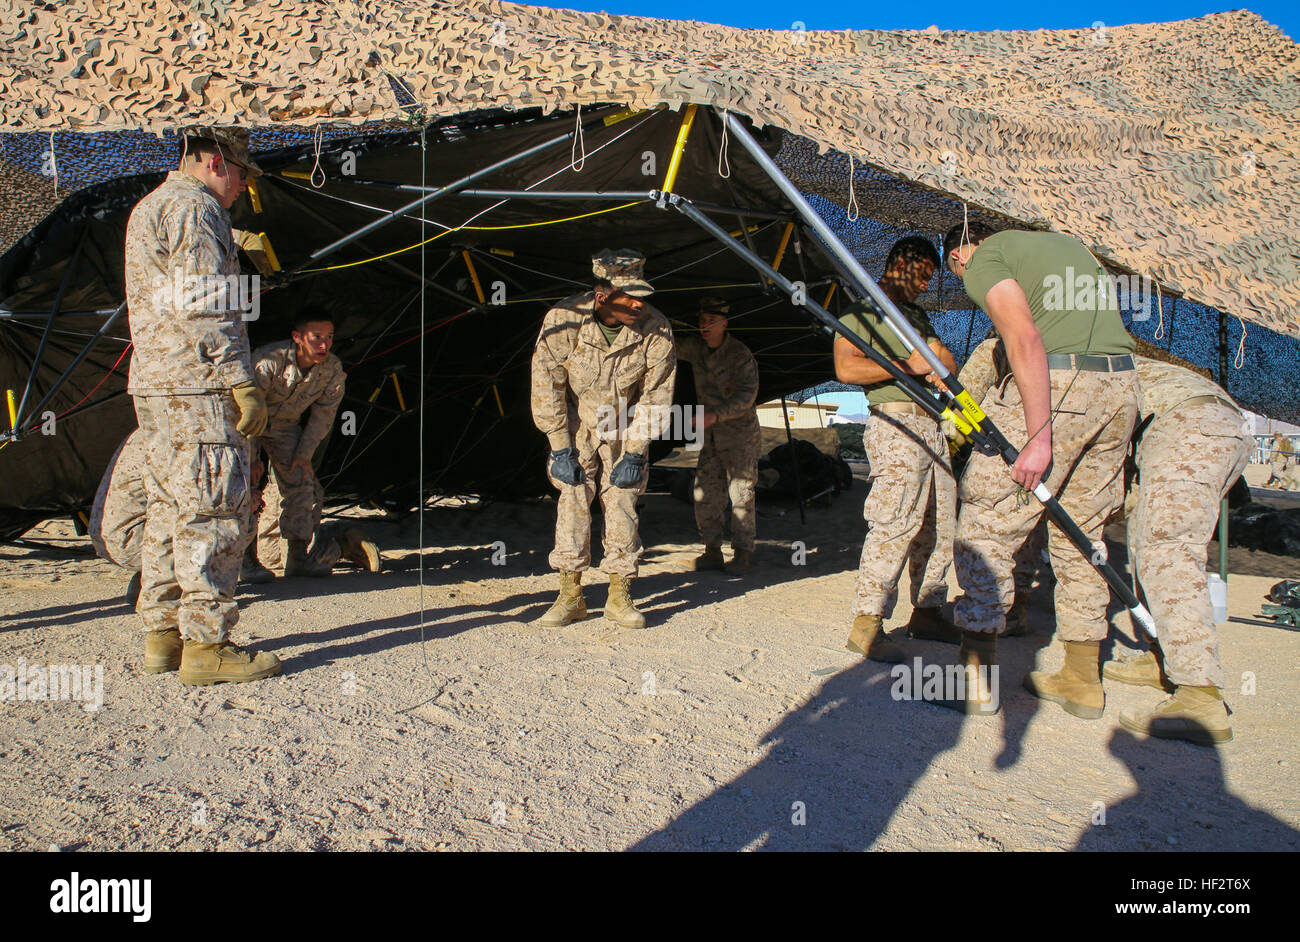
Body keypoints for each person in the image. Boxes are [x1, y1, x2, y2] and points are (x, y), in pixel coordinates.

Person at [942, 221, 1138, 715]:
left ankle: (975, 677)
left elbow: (1025, 338)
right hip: (1120, 392)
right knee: (1082, 531)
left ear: (959, 255)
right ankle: (1081, 675)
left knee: (987, 518)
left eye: (953, 267)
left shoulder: (984, 260)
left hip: (1061, 384)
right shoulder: (1072, 245)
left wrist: (1038, 437)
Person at [124, 125, 281, 684]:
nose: (243, 187)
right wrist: (241, 381)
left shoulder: (150, 206)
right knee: (215, 510)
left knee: (168, 509)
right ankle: (208, 646)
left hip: (158, 387)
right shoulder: (197, 209)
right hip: (201, 388)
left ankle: (164, 634)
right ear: (217, 162)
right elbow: (205, 299)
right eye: (242, 175)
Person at [1104, 356, 1252, 744]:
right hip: (1205, 425)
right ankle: (1162, 658)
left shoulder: (1089, 362)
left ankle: (1200, 696)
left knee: (1169, 550)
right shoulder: (1121, 357)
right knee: (1144, 542)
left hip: (1190, 428)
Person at [530, 249, 676, 629]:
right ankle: (570, 595)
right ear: (601, 295)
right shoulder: (563, 321)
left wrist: (636, 451)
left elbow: (656, 395)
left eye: (642, 295)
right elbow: (547, 385)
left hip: (624, 425)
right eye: (628, 296)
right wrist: (559, 444)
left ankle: (619, 594)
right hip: (577, 424)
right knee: (573, 500)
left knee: (623, 502)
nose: (637, 304)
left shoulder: (656, 328)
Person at [833, 236, 957, 662]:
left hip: (934, 424)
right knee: (895, 520)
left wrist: (935, 363)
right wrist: (909, 367)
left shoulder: (917, 317)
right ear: (902, 263)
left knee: (940, 524)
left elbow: (946, 363)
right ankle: (867, 622)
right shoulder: (861, 312)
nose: (925, 286)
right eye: (923, 275)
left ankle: (928, 609)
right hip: (896, 420)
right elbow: (846, 367)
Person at [245, 314, 347, 579]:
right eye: (316, 337)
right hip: (248, 426)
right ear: (297, 337)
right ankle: (246, 559)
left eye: (329, 337)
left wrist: (303, 455)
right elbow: (244, 412)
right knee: (244, 483)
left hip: (284, 426)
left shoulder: (332, 369)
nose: (324, 344)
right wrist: (252, 457)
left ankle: (298, 557)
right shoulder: (267, 361)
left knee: (302, 482)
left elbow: (323, 416)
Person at [675, 296, 761, 573]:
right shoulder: (696, 348)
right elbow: (667, 346)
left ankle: (742, 553)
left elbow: (747, 396)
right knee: (706, 492)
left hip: (739, 435)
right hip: (711, 435)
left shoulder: (740, 355)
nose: (705, 326)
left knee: (742, 493)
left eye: (712, 321)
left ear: (725, 323)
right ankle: (712, 550)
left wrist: (716, 414)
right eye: (702, 320)